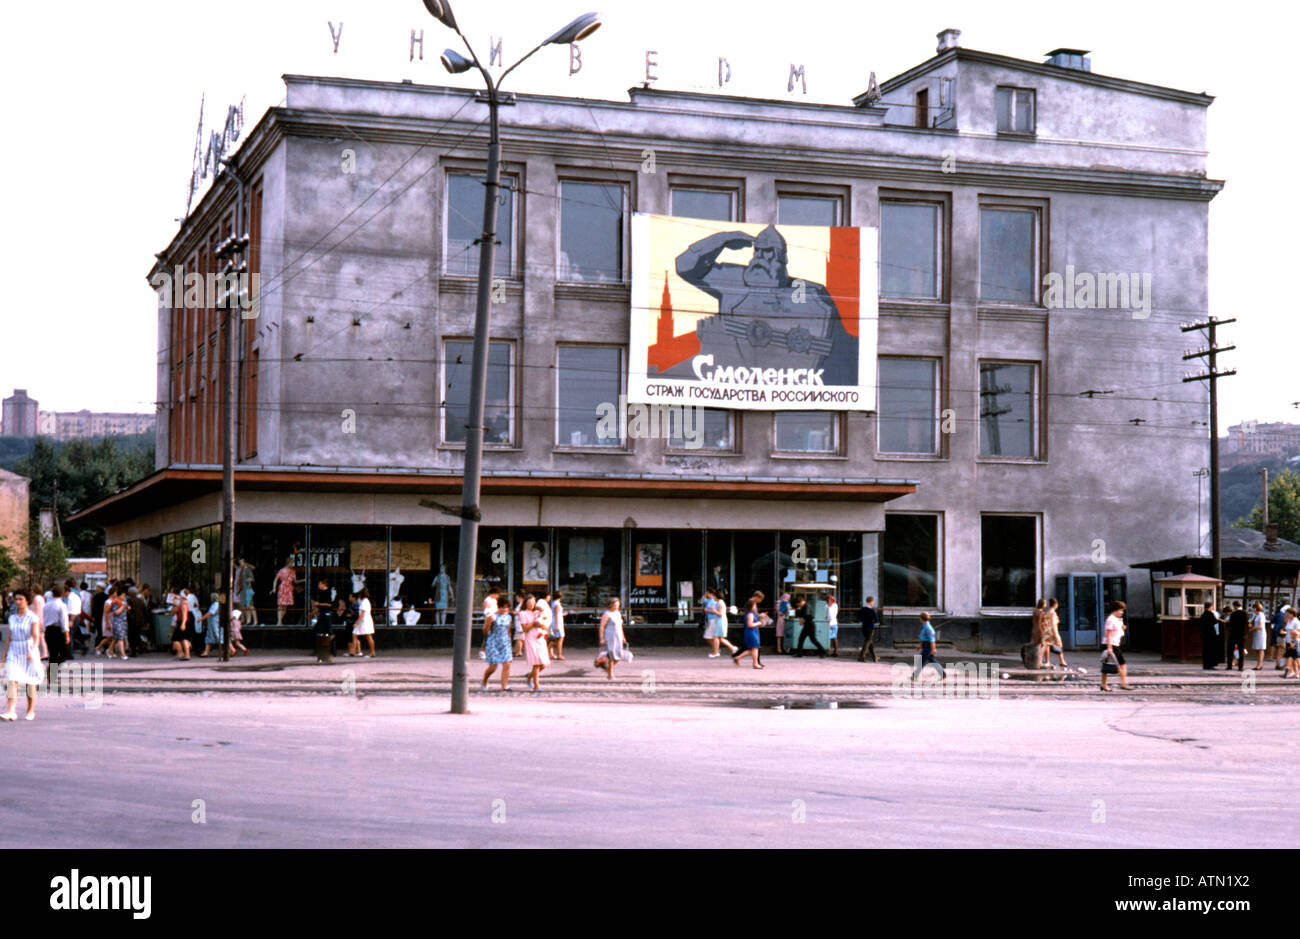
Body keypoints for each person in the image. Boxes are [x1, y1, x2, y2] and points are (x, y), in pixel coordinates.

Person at [2, 591, 43, 720]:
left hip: (28, 650)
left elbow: (36, 636)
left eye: (20, 599)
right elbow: (9, 637)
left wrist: (33, 650)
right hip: (14, 649)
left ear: (27, 601)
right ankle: (11, 711)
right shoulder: (12, 617)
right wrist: (4, 655)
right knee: (11, 679)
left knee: (29, 681)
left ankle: (30, 710)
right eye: (16, 599)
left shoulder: (32, 617)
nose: (17, 602)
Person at [595, 597, 631, 680]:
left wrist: (623, 637)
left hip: (618, 636)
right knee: (612, 655)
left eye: (618, 605)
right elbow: (602, 627)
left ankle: (605, 666)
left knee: (618, 655)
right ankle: (610, 674)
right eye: (615, 605)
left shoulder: (617, 613)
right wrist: (601, 638)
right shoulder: (607, 614)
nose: (616, 607)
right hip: (610, 637)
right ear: (610, 605)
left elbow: (620, 626)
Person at [520, 595, 550, 692]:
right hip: (531, 639)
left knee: (543, 664)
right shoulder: (523, 613)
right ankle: (536, 685)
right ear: (525, 604)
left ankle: (530, 676)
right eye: (529, 603)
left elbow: (545, 626)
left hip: (540, 638)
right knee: (536, 663)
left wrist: (541, 624)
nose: (531, 605)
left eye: (532, 603)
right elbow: (525, 629)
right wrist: (533, 623)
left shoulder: (538, 612)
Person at [481, 603, 513, 691]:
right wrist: (489, 622)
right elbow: (485, 631)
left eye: (506, 608)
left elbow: (508, 630)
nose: (504, 610)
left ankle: (504, 685)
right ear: (499, 607)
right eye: (502, 607)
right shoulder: (492, 616)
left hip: (505, 643)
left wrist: (509, 641)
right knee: (493, 667)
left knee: (507, 664)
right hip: (493, 642)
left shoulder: (508, 617)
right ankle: (484, 681)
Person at [41, 583, 71, 677]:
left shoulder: (46, 605)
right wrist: (66, 634)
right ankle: (52, 670)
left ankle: (51, 673)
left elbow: (43, 618)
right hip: (58, 630)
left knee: (53, 653)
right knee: (64, 653)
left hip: (48, 630)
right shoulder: (62, 605)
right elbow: (64, 621)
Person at [1100, 600, 1130, 691]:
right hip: (1111, 644)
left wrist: (1122, 628)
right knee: (1122, 663)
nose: (1122, 612)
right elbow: (1108, 634)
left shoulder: (1117, 620)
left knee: (1107, 665)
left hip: (1114, 644)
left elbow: (1116, 632)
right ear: (1115, 610)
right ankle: (1123, 683)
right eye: (1121, 610)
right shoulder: (1110, 619)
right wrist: (1109, 648)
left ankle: (1104, 685)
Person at [702, 589, 738, 657]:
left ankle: (716, 652)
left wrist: (714, 610)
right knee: (719, 638)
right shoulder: (719, 602)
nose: (713, 597)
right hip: (719, 621)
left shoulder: (720, 603)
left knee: (716, 637)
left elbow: (720, 614)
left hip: (720, 621)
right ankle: (732, 648)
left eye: (714, 596)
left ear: (716, 596)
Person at [731, 597, 765, 669]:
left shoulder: (749, 614)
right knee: (755, 648)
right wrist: (758, 623)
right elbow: (750, 625)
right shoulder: (750, 614)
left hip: (752, 632)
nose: (755, 607)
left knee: (752, 650)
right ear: (751, 607)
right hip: (751, 632)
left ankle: (738, 658)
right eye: (754, 606)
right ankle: (755, 664)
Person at [1042, 598, 1069, 668]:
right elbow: (1053, 624)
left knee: (1047, 646)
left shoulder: (1047, 612)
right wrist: (1056, 634)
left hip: (1046, 631)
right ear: (1055, 605)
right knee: (1059, 644)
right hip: (1052, 631)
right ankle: (1062, 661)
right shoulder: (1053, 613)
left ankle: (1047, 661)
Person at [1197, 599, 1224, 670]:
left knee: (1205, 650)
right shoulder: (1210, 614)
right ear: (1210, 607)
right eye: (1212, 606)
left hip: (1204, 635)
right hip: (1211, 635)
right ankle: (1210, 665)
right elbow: (1215, 622)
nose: (1213, 608)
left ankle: (1205, 665)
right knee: (1210, 650)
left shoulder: (1203, 614)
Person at [915, 611, 942, 678]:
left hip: (928, 646)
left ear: (921, 618)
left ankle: (915, 676)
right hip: (925, 645)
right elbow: (923, 638)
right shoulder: (925, 626)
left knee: (922, 661)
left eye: (920, 617)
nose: (919, 619)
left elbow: (932, 639)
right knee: (932, 660)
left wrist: (933, 648)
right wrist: (920, 646)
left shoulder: (928, 627)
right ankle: (942, 673)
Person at [272, 558, 298, 626]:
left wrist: (304, 580)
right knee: (281, 605)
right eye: (292, 563)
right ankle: (279, 621)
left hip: (289, 588)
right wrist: (274, 588)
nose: (293, 565)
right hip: (283, 588)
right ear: (288, 563)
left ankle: (280, 621)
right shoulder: (282, 570)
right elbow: (276, 579)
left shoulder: (293, 571)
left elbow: (295, 581)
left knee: (285, 606)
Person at [108, 586, 130, 660]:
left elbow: (129, 608)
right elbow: (116, 612)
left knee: (116, 638)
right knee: (120, 638)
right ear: (119, 595)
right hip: (118, 622)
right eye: (123, 595)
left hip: (123, 621)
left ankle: (109, 651)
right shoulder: (115, 602)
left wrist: (127, 607)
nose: (124, 597)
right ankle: (123, 654)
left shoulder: (124, 601)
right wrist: (123, 607)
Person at [170, 587, 192, 660]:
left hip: (182, 622)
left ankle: (181, 653)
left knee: (175, 638)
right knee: (184, 638)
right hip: (183, 622)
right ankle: (187, 654)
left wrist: (183, 624)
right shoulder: (183, 603)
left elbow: (184, 615)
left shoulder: (183, 604)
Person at [352, 587, 375, 658]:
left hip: (364, 621)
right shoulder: (364, 601)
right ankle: (356, 651)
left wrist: (356, 622)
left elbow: (362, 614)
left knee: (368, 636)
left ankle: (372, 652)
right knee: (355, 634)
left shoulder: (365, 602)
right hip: (363, 621)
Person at [1223, 601, 1246, 670]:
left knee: (1230, 650)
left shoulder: (1233, 614)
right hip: (1241, 634)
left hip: (1233, 634)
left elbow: (1230, 624)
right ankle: (1240, 666)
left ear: (1235, 606)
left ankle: (1229, 665)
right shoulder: (1245, 613)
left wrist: (1226, 623)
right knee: (1241, 650)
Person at [1247, 601, 1268, 670]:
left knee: (1260, 649)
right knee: (1257, 649)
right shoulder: (1255, 615)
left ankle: (1259, 665)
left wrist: (1252, 629)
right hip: (1256, 634)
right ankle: (1258, 663)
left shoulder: (1261, 615)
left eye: (1253, 608)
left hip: (1260, 634)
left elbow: (1260, 626)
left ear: (1256, 608)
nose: (1252, 609)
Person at [548, 591, 567, 660]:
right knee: (560, 638)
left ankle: (550, 651)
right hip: (557, 623)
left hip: (557, 622)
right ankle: (559, 654)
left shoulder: (554, 603)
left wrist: (563, 614)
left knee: (557, 639)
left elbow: (557, 614)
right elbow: (556, 614)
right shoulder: (556, 604)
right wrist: (557, 625)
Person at [1283, 608, 1300, 679]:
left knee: (1294, 658)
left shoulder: (1296, 621)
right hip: (1288, 641)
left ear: (1292, 614)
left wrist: (1293, 642)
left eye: (1288, 613)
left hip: (1293, 642)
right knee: (1292, 658)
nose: (1286, 615)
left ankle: (1294, 672)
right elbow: (1287, 630)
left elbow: (1298, 632)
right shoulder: (1289, 621)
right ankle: (1294, 672)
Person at [1274, 605, 1291, 671]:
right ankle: (1280, 665)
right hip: (1282, 638)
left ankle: (1278, 665)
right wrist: (1288, 633)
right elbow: (1281, 632)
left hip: (1280, 638)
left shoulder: (1283, 623)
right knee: (1281, 653)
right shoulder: (1285, 624)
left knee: (1279, 653)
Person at [1031, 598, 1047, 667]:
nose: (1046, 605)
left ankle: (1033, 661)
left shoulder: (1035, 611)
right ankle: (1039, 661)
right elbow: (1043, 623)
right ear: (1043, 604)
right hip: (1040, 630)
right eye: (1045, 604)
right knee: (1043, 645)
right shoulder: (1042, 613)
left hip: (1034, 629)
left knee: (1034, 646)